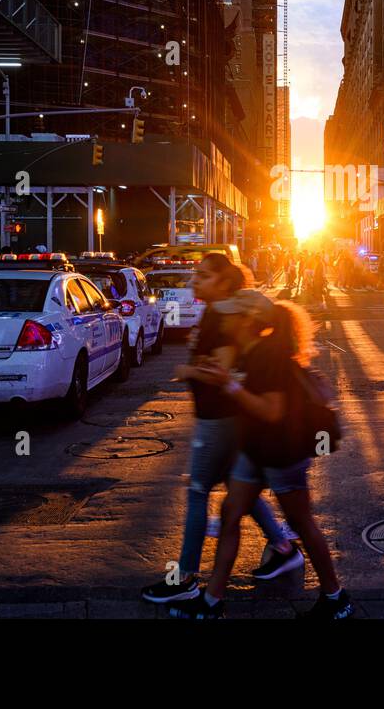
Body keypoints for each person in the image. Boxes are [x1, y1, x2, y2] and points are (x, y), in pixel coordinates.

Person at [170, 290, 351, 619]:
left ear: (246, 321)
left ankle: (336, 598)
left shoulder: (267, 355)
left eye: (230, 315)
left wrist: (229, 384)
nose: (223, 320)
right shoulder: (248, 351)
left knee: (302, 523)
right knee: (230, 515)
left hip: (283, 452)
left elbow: (271, 411)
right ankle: (211, 602)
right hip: (254, 449)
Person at [142, 254, 295, 604]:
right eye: (196, 274)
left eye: (204, 276)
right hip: (220, 416)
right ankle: (284, 547)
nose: (195, 280)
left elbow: (219, 371)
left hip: (219, 418)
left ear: (224, 283)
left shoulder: (223, 315)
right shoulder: (215, 311)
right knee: (239, 487)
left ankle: (185, 577)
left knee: (198, 491)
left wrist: (188, 371)